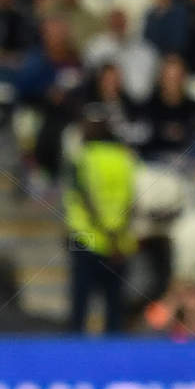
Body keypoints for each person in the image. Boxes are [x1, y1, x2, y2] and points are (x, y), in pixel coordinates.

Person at [65, 107, 137, 334]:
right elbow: (130, 200)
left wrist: (104, 231)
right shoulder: (124, 158)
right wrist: (116, 234)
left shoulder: (83, 157)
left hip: (85, 237)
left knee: (80, 303)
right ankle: (114, 361)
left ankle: (75, 353)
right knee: (114, 306)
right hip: (118, 241)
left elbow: (85, 198)